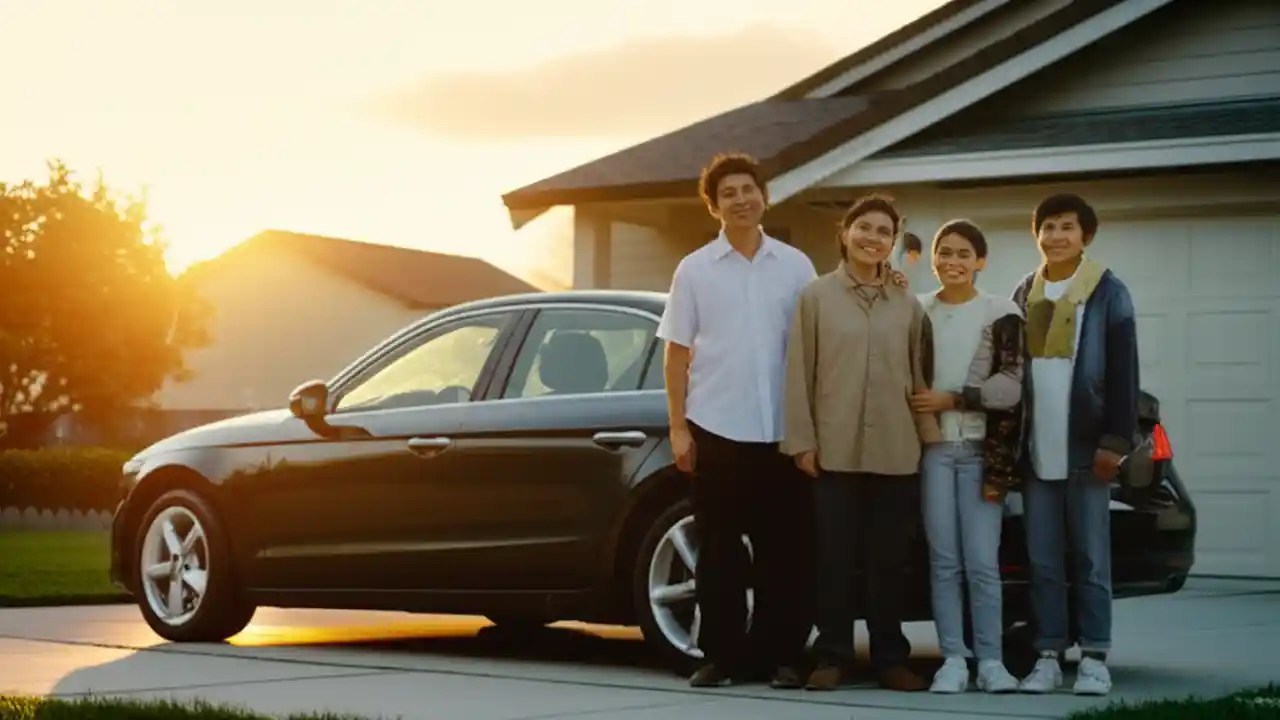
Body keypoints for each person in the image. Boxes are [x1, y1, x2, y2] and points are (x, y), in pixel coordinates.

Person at [656, 152, 818, 689]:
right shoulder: (694, 269)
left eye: (749, 189)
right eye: (729, 193)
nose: (741, 199)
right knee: (719, 553)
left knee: (786, 553)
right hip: (716, 427)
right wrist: (678, 427)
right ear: (714, 207)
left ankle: (782, 656)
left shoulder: (796, 266)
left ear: (764, 197)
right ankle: (722, 657)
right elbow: (676, 353)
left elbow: (816, 344)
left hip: (784, 432)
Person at [781, 193, 938, 692]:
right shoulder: (815, 297)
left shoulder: (907, 304)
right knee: (834, 559)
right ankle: (832, 656)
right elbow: (798, 372)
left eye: (884, 232)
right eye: (864, 228)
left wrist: (928, 441)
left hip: (896, 448)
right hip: (833, 448)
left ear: (893, 243)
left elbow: (919, 376)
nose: (873, 238)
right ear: (845, 233)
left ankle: (890, 658)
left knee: (888, 562)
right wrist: (802, 441)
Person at [1012, 193, 1139, 696]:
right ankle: (1047, 654)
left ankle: (1094, 657)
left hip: (1088, 449)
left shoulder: (1108, 291)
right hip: (1037, 449)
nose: (1056, 236)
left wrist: (1115, 441)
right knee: (1042, 560)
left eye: (1067, 226)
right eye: (1048, 227)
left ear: (1085, 235)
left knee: (1090, 558)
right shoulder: (1025, 290)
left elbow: (1124, 372)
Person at [909, 220, 1025, 694]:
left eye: (963, 254)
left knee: (981, 561)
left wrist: (953, 399)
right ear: (933, 259)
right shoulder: (918, 310)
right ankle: (953, 659)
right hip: (934, 452)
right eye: (944, 253)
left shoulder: (1001, 312)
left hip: (983, 454)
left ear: (980, 261)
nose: (952, 262)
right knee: (944, 562)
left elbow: (1011, 386)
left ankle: (992, 661)